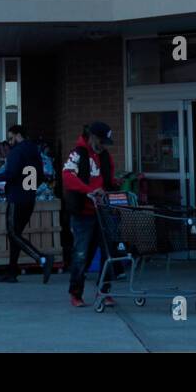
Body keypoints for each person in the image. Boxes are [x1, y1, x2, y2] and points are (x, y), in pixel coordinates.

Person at [62, 121, 118, 308]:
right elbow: (68, 177)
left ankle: (105, 292)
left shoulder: (105, 156)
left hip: (103, 211)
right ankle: (76, 293)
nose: (103, 146)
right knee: (81, 254)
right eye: (101, 141)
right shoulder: (77, 154)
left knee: (108, 253)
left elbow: (109, 179)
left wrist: (115, 186)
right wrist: (88, 190)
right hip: (83, 213)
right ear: (93, 137)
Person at [0, 124, 51, 284]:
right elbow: (41, 176)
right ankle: (12, 271)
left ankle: (42, 259)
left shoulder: (16, 152)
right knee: (15, 235)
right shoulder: (34, 151)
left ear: (18, 135)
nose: (9, 142)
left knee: (13, 233)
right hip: (29, 197)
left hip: (17, 198)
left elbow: (11, 174)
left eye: (10, 138)